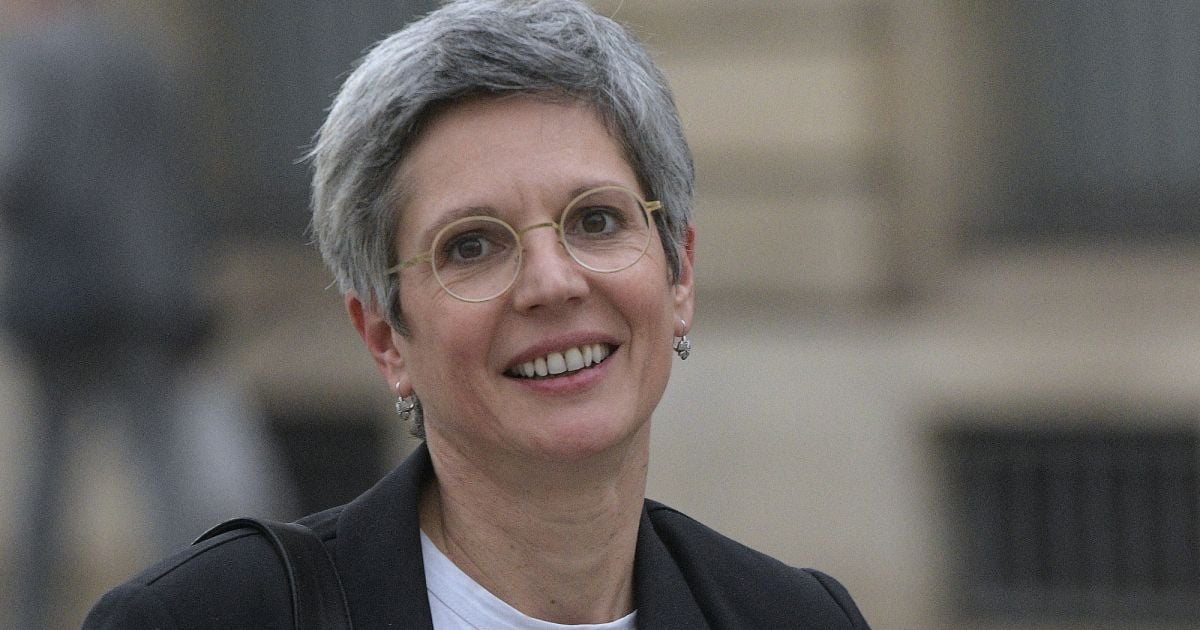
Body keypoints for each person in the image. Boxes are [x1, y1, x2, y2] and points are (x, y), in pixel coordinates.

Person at [83, 0, 871, 627]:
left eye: (596, 220)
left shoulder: (797, 616)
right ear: (386, 337)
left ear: (679, 275)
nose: (553, 283)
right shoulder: (203, 617)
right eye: (471, 246)